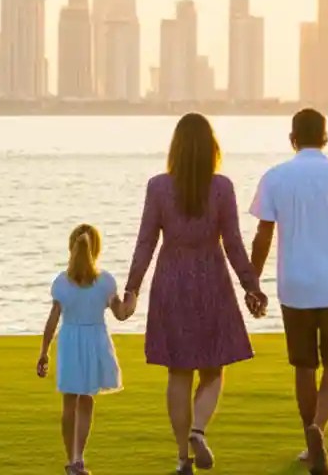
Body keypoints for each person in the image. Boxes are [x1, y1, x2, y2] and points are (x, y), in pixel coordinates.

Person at [121, 113, 268, 475]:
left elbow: (145, 242)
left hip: (170, 281)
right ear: (211, 149)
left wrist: (132, 289)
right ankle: (198, 431)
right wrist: (251, 285)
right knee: (213, 368)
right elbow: (233, 243)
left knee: (178, 373)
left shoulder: (158, 187)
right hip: (212, 281)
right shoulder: (222, 187)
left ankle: (182, 458)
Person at [248, 108, 328, 475]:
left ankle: (309, 438)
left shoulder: (276, 177)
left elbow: (262, 236)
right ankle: (318, 429)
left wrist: (253, 284)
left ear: (292, 138)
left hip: (295, 286)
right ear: (326, 137)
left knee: (304, 367)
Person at [37, 223, 129, 475]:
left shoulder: (62, 283)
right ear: (97, 249)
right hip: (95, 342)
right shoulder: (105, 282)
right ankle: (78, 459)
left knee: (70, 402)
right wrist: (132, 299)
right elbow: (121, 314)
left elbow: (52, 322)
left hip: (69, 342)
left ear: (71, 247)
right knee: (86, 399)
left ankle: (72, 461)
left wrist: (44, 352)